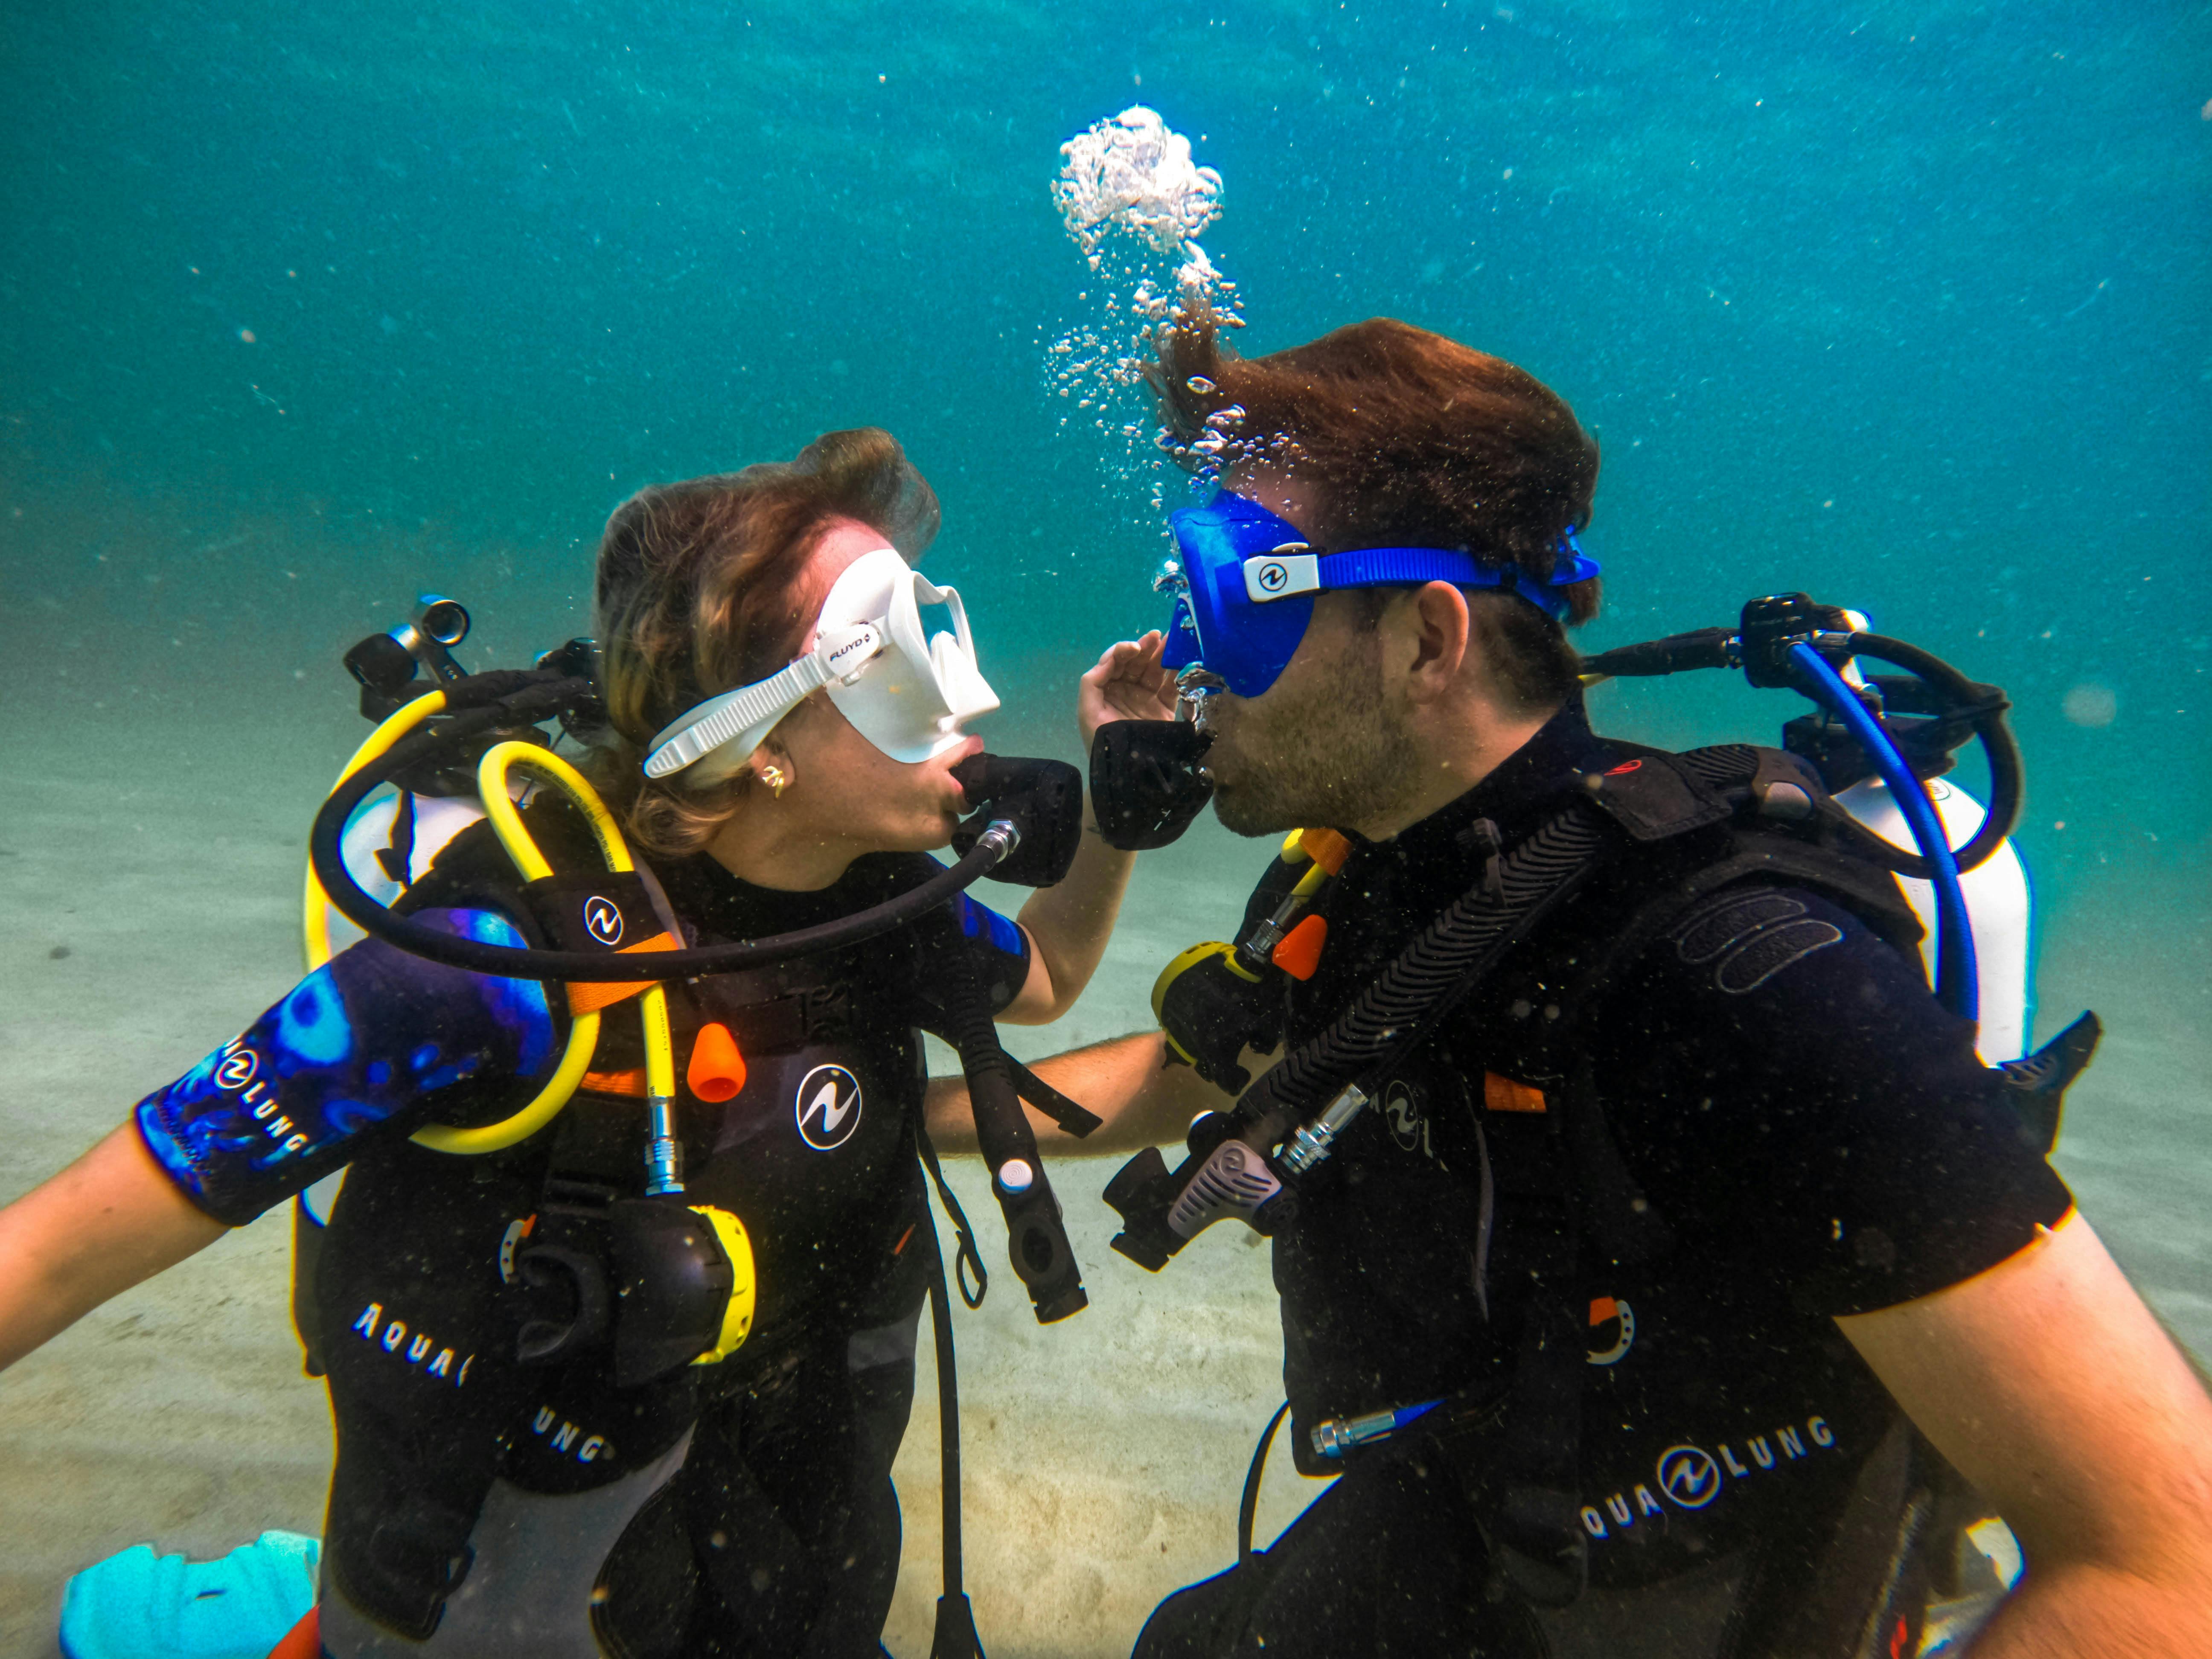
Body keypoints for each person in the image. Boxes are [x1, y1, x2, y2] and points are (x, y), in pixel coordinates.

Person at [928, 319, 2212, 1656]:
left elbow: (2167, 1563)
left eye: (1238, 611)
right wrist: (892, 1125)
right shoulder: (1371, 884)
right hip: (1495, 1483)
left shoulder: (1745, 979)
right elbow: (1221, 1070)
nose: (1190, 672)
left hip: (1682, 1579)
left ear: (1428, 642)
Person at [0, 428, 1176, 1658]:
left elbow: (1043, 982)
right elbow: (64, 1250)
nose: (968, 698)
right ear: (756, 742)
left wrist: (1121, 810)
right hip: (524, 1572)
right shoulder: (490, 969)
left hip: (771, 1528)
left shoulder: (876, 898)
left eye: (940, 637)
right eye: (894, 660)